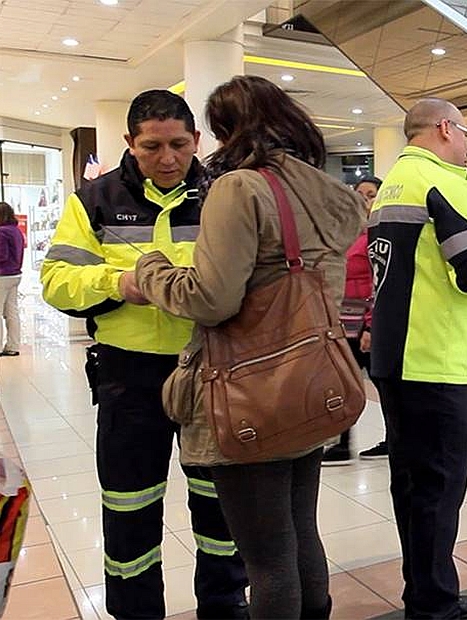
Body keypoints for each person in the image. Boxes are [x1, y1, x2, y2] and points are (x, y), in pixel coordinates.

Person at [131, 75, 364, 619]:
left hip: (249, 389)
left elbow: (212, 300)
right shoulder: (332, 192)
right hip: (312, 380)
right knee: (301, 534)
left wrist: (154, 270)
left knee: (268, 560)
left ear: (229, 129)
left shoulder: (241, 187)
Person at [40, 90, 249, 620]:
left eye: (179, 144)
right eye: (152, 146)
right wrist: (120, 281)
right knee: (129, 506)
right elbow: (56, 281)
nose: (168, 157)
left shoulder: (226, 195)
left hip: (214, 372)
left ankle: (225, 608)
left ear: (197, 140)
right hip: (128, 378)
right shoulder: (94, 201)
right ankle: (135, 613)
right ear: (130, 143)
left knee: (221, 507)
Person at [368, 98, 467, 619]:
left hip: (392, 357)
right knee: (439, 487)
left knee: (409, 484)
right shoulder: (448, 184)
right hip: (434, 358)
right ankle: (433, 604)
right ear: (446, 128)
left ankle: (423, 590)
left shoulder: (390, 185)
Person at [323, 175, 389, 465]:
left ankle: (394, 440)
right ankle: (342, 444)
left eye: (371, 194)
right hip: (342, 322)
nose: (364, 199)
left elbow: (380, 279)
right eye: (360, 193)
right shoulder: (346, 232)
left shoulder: (379, 234)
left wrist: (371, 324)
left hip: (366, 322)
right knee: (345, 384)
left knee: (384, 386)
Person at [0, 203, 24, 357]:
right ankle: (13, 345)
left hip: (2, 275)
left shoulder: (1, 232)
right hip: (15, 275)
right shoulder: (16, 231)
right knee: (12, 311)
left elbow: (1, 256)